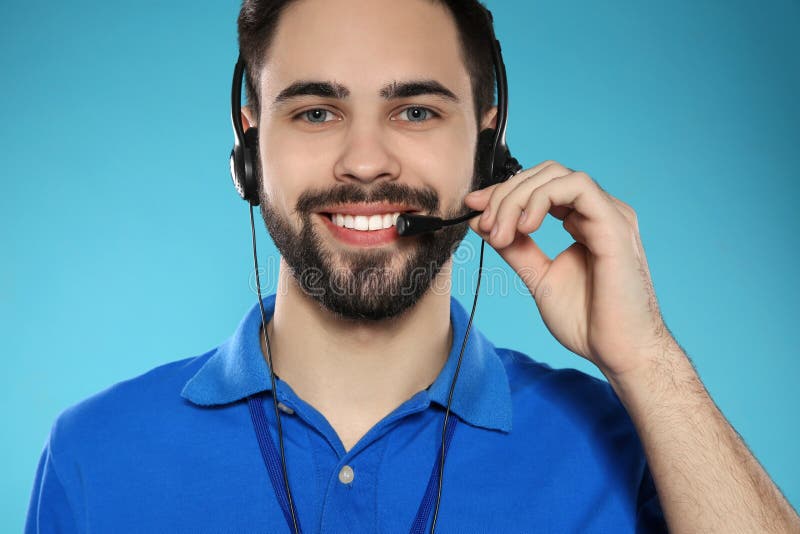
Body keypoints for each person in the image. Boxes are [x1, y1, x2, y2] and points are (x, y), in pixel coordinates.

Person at [25, 0, 800, 532]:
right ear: (251, 142)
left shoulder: (634, 445)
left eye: (417, 110)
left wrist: (647, 358)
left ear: (488, 143)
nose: (365, 162)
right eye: (316, 112)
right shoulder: (95, 453)